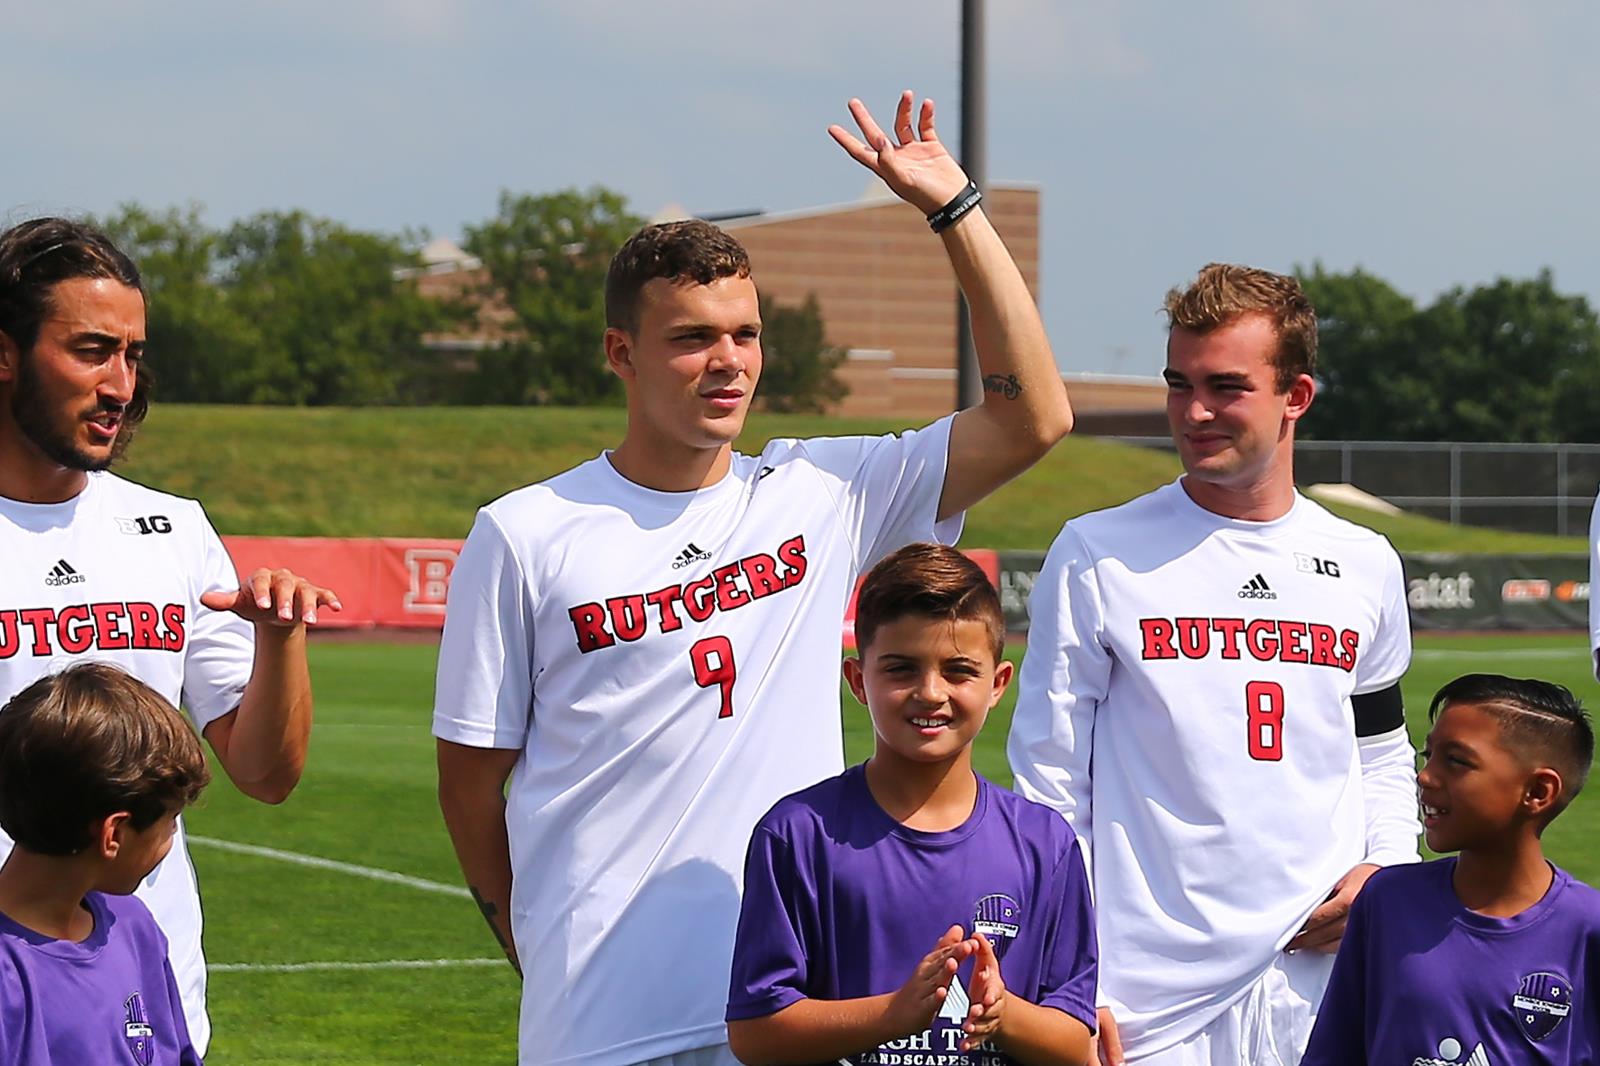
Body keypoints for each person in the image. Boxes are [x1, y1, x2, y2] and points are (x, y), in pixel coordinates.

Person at [434, 91, 1074, 1066]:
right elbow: (469, 785)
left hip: (795, 1016)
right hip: (606, 1019)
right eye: (692, 337)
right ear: (622, 353)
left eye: (744, 333)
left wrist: (955, 210)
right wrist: (535, 947)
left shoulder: (821, 489)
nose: (726, 361)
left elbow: (1033, 417)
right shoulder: (527, 531)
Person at [1007, 264, 1419, 1065]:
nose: (1193, 412)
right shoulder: (1099, 552)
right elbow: (1050, 786)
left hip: (1319, 981)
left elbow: (1381, 750)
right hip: (1147, 998)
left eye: (1225, 387)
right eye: (1178, 384)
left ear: (1295, 395)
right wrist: (1070, 982)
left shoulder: (1364, 561)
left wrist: (1387, 869)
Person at [0, 216, 339, 1054]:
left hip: (148, 991)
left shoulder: (173, 528)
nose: (122, 384)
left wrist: (281, 642)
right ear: (5, 355)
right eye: (90, 350)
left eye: (134, 353)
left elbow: (264, 774)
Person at [725, 543, 1096, 1066]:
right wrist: (890, 1016)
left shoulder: (1045, 843)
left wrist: (1003, 1013)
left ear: (998, 684)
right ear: (858, 681)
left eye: (959, 671)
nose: (930, 692)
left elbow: (1077, 1046)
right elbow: (755, 1034)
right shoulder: (799, 835)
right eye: (900, 669)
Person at [1302, 673, 1600, 1064]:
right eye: (1429, 757)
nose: (1425, 776)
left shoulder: (1587, 926)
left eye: (1457, 761)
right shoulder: (1387, 900)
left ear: (1538, 792)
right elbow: (1335, 1051)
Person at [0, 662, 210, 1065]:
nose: (171, 839)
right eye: (170, 821)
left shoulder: (132, 926)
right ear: (113, 834)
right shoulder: (11, 976)